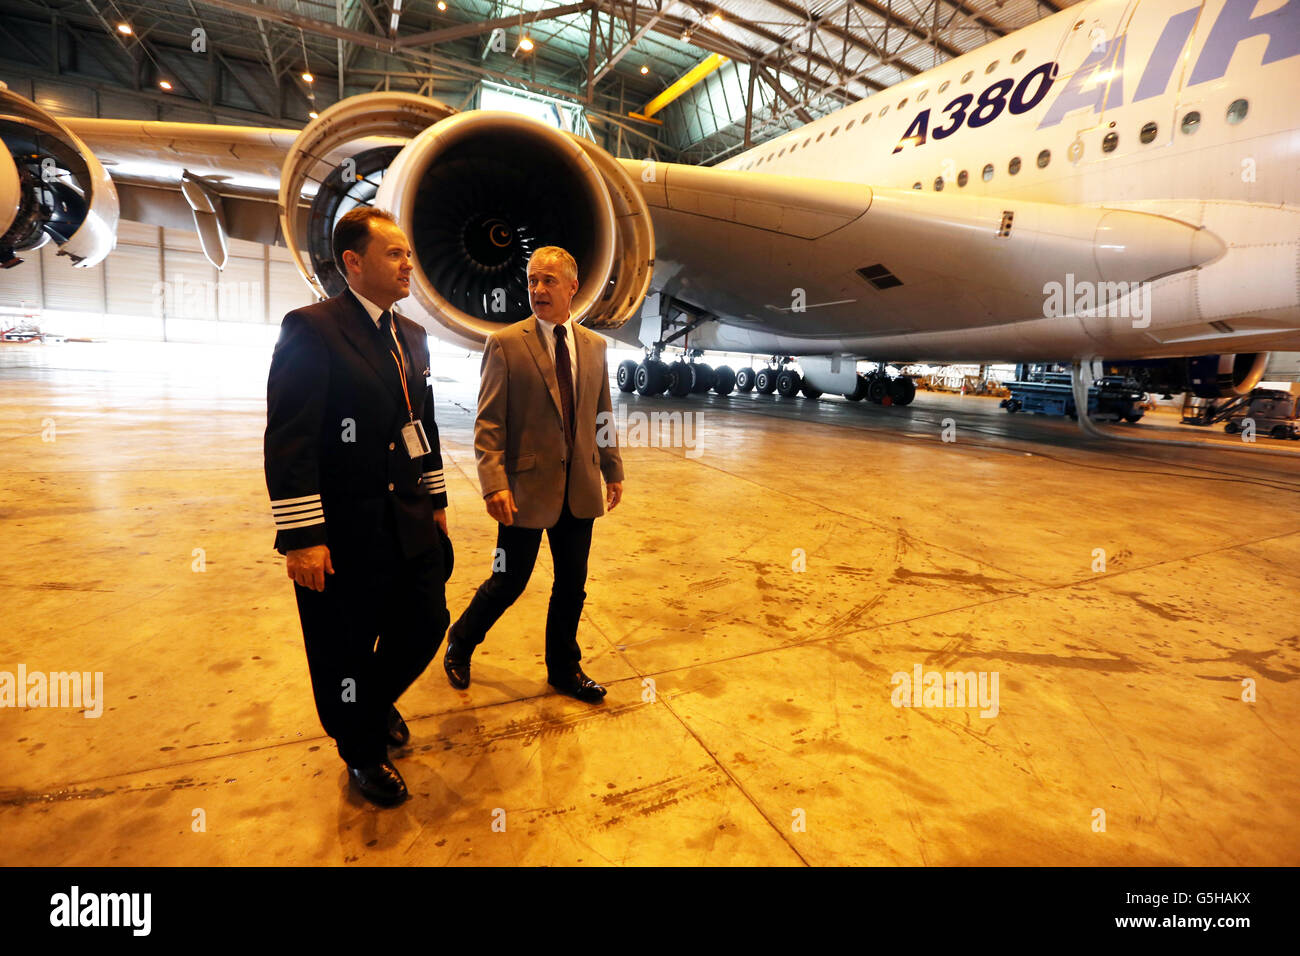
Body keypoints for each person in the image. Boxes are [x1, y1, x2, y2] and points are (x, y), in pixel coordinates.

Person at [264, 207, 451, 807]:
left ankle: (366, 710)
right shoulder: (312, 328)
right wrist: (301, 537)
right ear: (353, 262)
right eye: (394, 254)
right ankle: (361, 753)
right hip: (342, 532)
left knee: (426, 621)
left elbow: (422, 425)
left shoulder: (412, 336)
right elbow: (289, 438)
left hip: (408, 518)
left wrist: (438, 498)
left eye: (408, 254)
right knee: (342, 650)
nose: (407, 264)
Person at [443, 246, 623, 703]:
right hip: (524, 490)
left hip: (579, 488)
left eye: (548, 281)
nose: (538, 290)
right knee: (509, 580)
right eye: (532, 281)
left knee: (572, 584)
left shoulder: (595, 346)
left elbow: (601, 414)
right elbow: (489, 422)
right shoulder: (506, 343)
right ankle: (460, 641)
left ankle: (564, 669)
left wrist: (612, 468)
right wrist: (494, 483)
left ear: (572, 287)